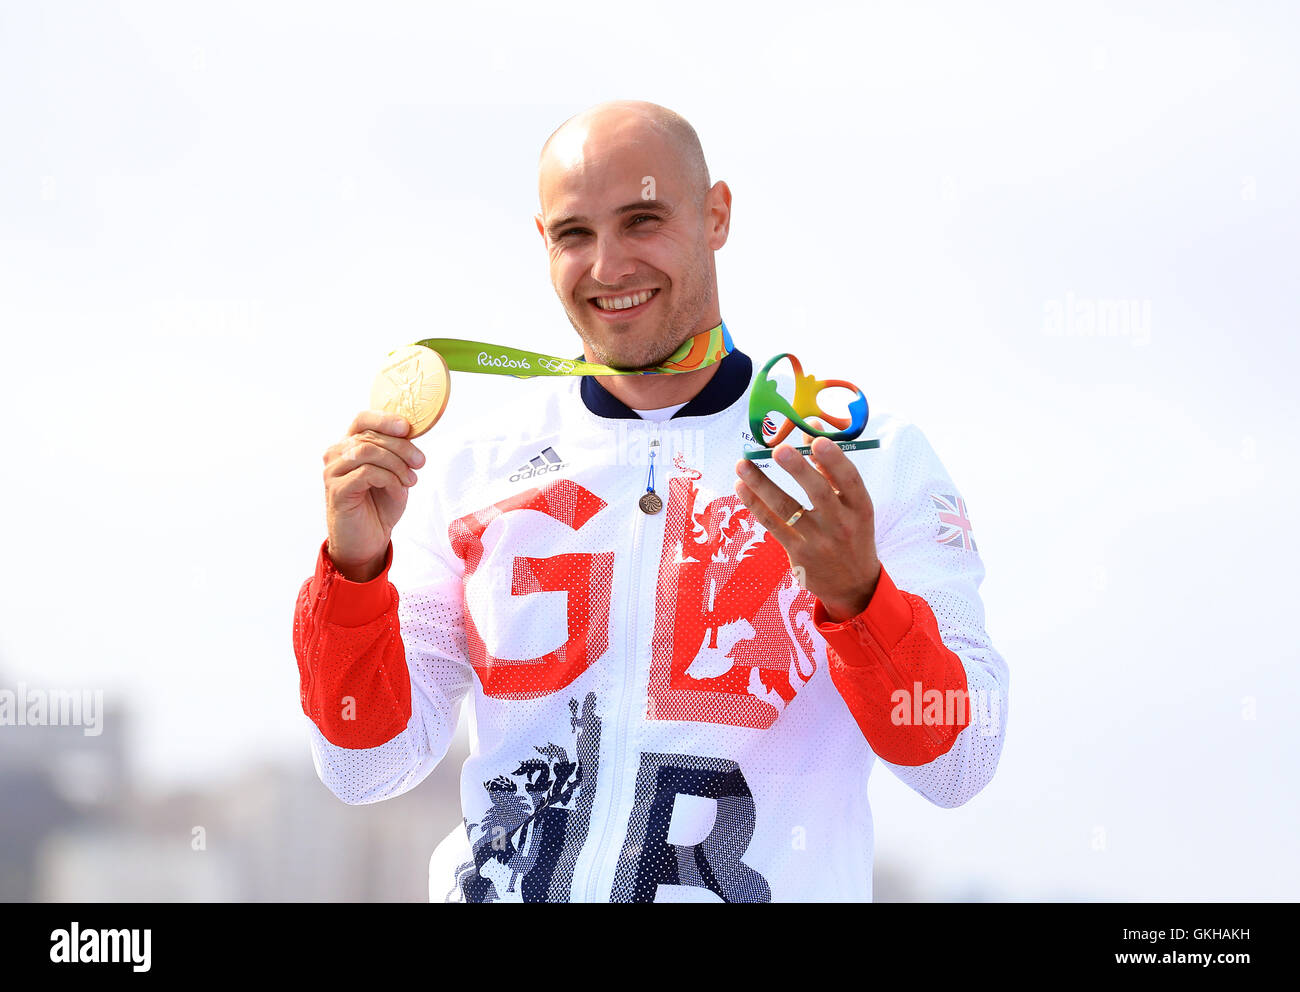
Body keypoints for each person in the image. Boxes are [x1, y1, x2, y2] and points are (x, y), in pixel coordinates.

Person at [292, 99, 1009, 902]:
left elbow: (962, 759)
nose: (608, 266)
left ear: (716, 215)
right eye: (574, 234)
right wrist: (354, 577)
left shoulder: (867, 460)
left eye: (641, 221)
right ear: (542, 243)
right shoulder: (469, 467)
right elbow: (368, 766)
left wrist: (860, 601)